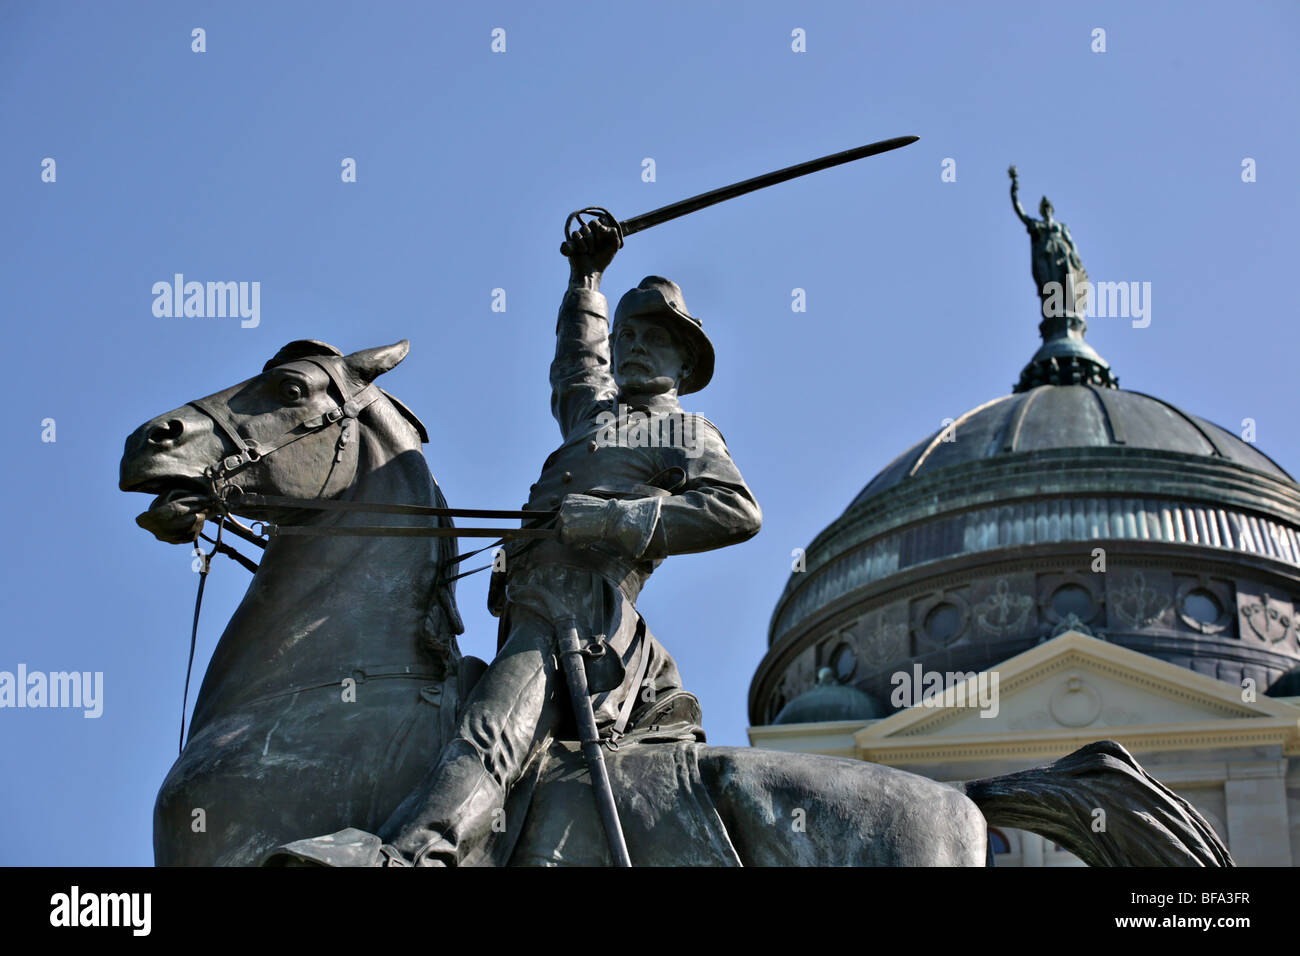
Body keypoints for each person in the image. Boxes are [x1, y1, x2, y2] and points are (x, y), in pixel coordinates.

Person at [274, 217, 762, 866]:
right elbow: (576, 361)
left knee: (490, 728)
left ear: (684, 360)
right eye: (631, 335)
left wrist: (606, 520)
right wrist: (585, 279)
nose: (636, 347)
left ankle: (416, 857)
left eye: (657, 339)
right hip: (527, 607)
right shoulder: (594, 415)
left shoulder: (685, 434)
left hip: (583, 618)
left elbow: (736, 510)